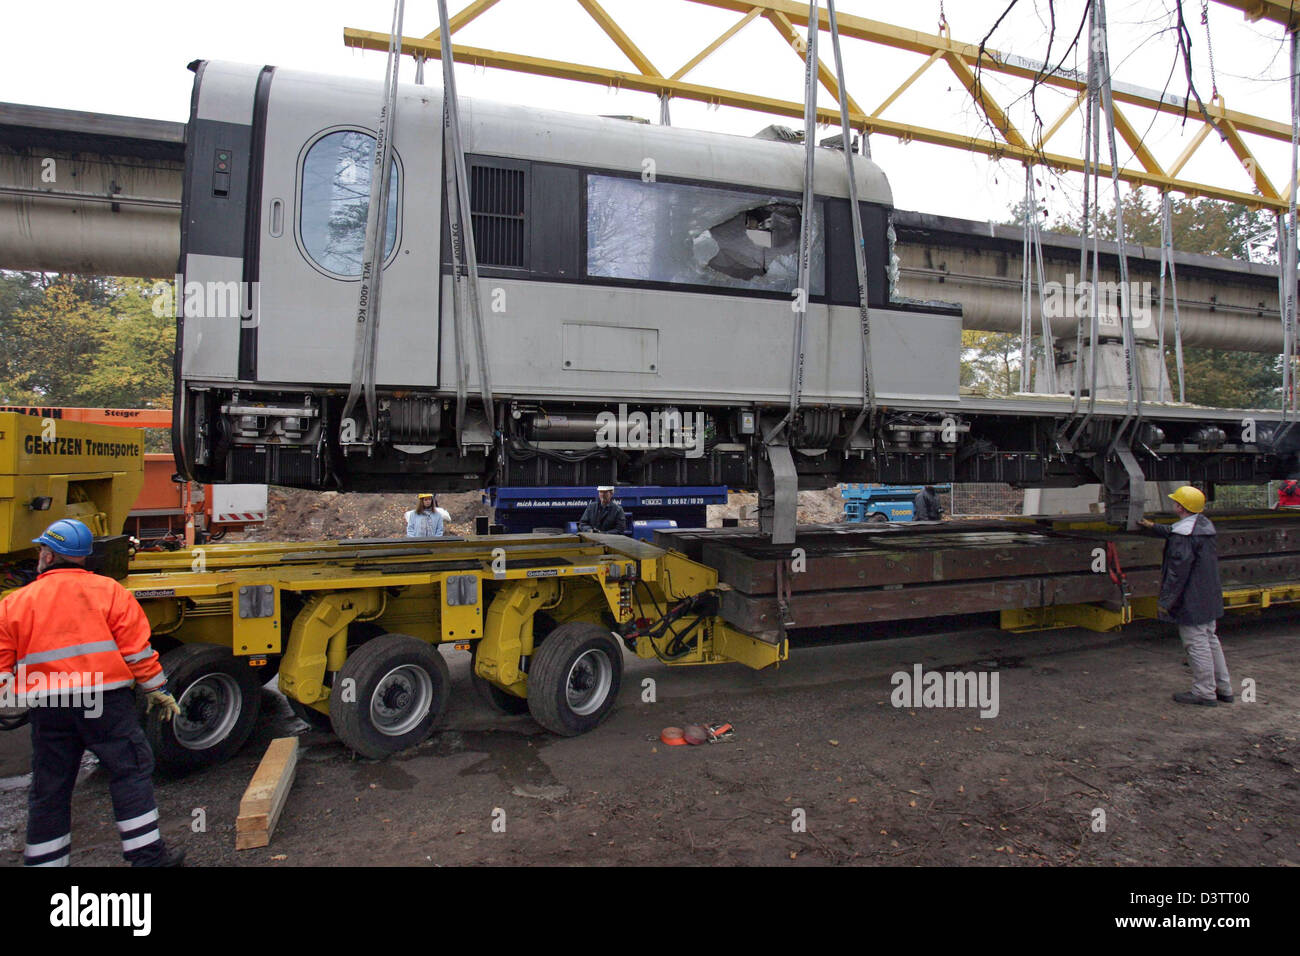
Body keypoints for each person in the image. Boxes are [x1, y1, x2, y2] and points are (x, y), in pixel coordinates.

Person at [0, 519, 184, 866]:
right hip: (106, 702)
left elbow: (1, 664)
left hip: (49, 706)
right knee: (129, 773)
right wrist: (157, 688)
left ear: (50, 555)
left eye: (42, 549)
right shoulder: (111, 592)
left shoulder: (16, 603)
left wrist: (8, 699)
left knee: (50, 788)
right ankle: (147, 858)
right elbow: (136, 651)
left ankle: (44, 862)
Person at [1138, 486, 1233, 707]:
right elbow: (1177, 531)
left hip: (1192, 597)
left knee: (1195, 643)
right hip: (1208, 594)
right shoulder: (1203, 527)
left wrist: (1166, 601)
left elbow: (1176, 573)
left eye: (1175, 502)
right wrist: (1153, 527)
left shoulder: (1184, 537)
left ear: (1180, 506)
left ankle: (1204, 692)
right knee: (1210, 639)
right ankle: (1224, 688)